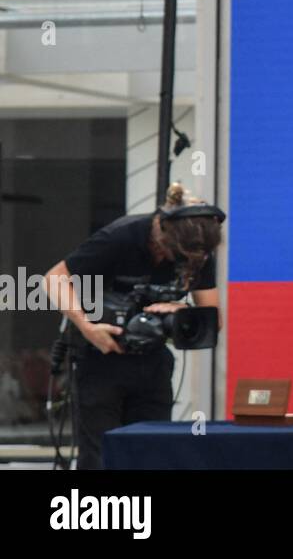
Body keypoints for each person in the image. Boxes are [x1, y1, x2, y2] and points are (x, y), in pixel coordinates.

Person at [43, 183, 224, 470]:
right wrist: (87, 326)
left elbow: (213, 319)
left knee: (152, 452)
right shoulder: (121, 236)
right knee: (100, 456)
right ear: (161, 229)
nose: (170, 260)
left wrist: (184, 309)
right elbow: (54, 278)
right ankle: (103, 515)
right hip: (101, 357)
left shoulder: (195, 251)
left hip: (153, 361)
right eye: (170, 252)